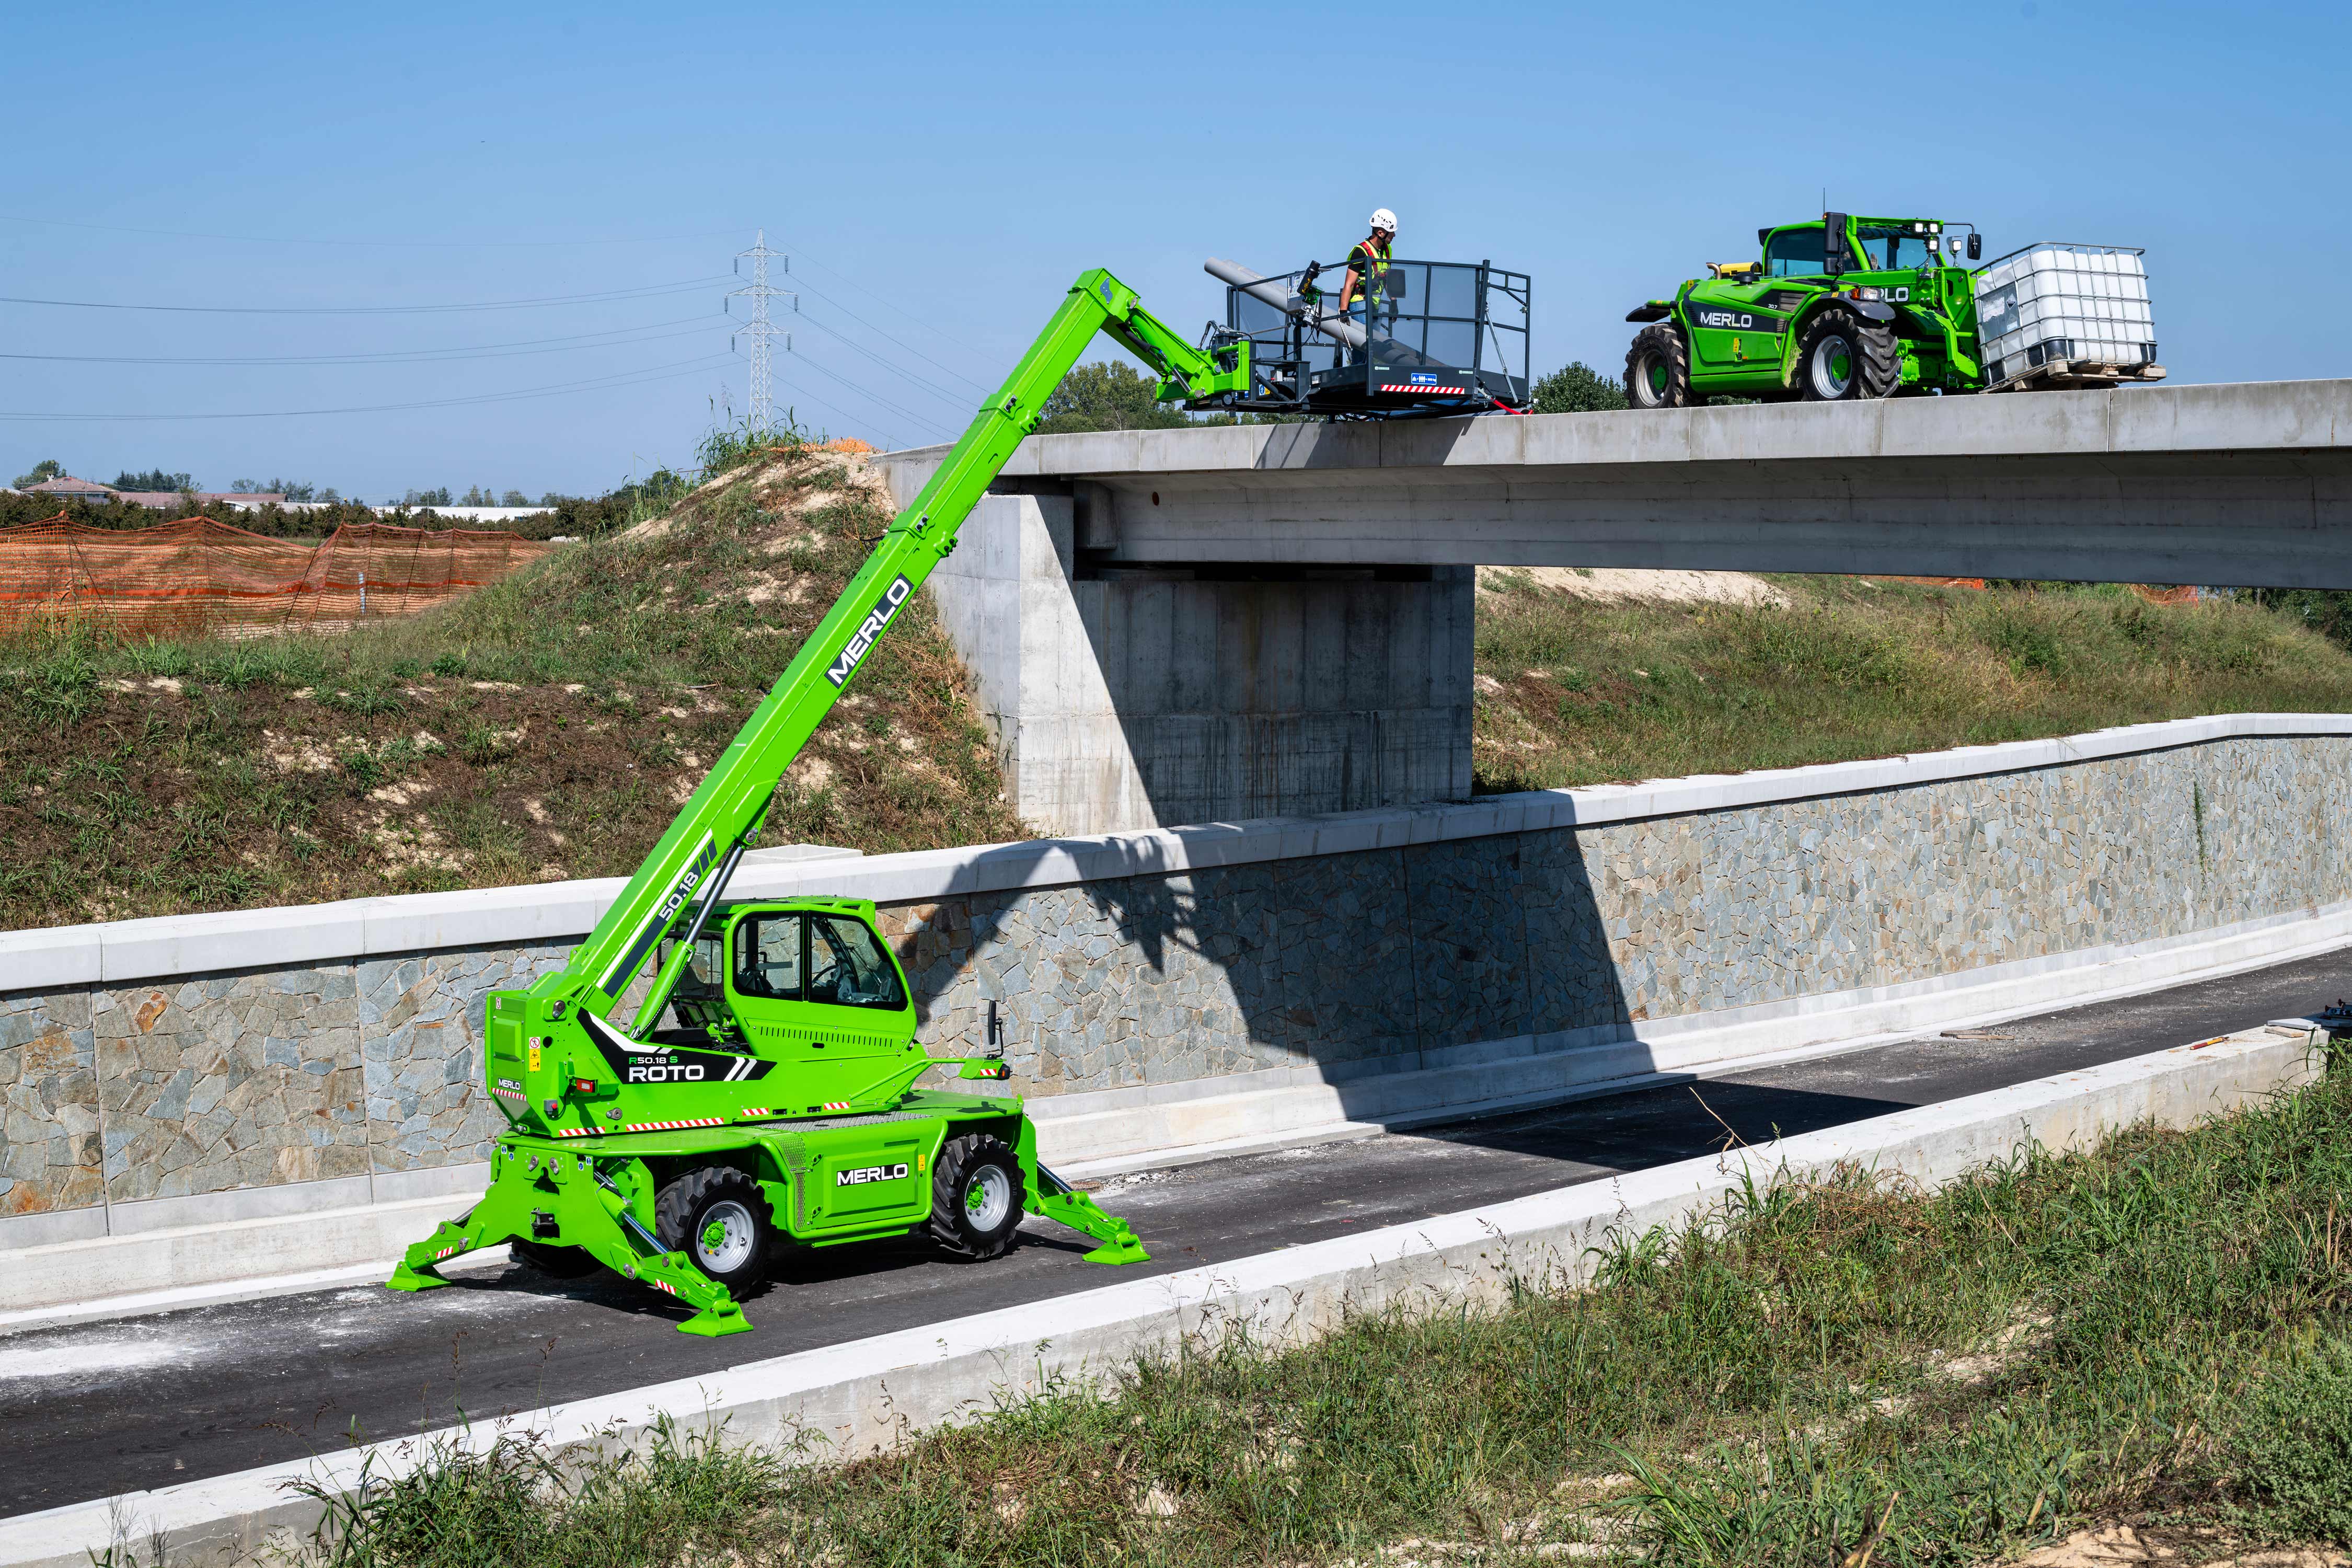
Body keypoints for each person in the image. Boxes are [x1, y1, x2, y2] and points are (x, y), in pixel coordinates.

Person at [1339, 208, 1397, 333]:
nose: (1394, 235)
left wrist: (1394, 302)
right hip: (1361, 302)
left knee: (1374, 345)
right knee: (1365, 343)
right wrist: (1343, 312)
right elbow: (1349, 284)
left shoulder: (1388, 250)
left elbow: (1387, 277)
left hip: (1376, 303)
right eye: (1391, 232)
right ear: (1381, 233)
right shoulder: (1360, 252)